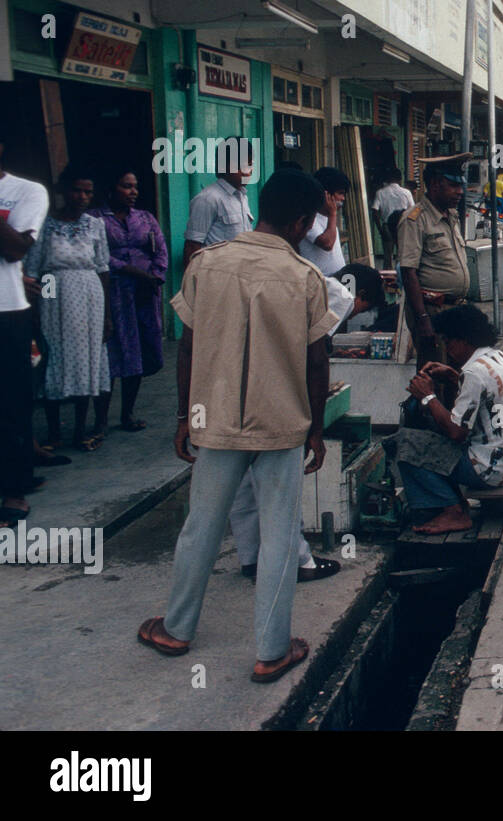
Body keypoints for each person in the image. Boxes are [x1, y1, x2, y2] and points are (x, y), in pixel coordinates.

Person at [137, 169, 336, 683]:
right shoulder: (305, 277)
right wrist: (316, 429)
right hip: (284, 424)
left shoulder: (207, 266)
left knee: (201, 525)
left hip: (215, 420)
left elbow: (188, 349)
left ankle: (176, 630)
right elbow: (318, 364)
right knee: (278, 536)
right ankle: (272, 651)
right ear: (298, 221)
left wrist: (184, 416)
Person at [229, 260, 384, 584]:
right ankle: (298, 561)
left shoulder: (298, 281)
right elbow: (315, 359)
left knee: (245, 479)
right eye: (362, 308)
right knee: (282, 483)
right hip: (276, 393)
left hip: (237, 384)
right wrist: (314, 423)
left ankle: (251, 557)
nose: (353, 316)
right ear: (362, 294)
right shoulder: (339, 297)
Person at [397, 305, 503, 535]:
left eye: (449, 342)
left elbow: (456, 432)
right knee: (428, 434)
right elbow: (484, 397)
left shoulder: (475, 372)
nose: (447, 348)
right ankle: (452, 502)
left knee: (403, 444)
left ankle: (453, 511)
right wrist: (453, 377)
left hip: (489, 469)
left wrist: (428, 397)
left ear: (465, 340)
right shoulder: (496, 357)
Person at [25, 166, 113, 453]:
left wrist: (107, 314)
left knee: (85, 359)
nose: (83, 197)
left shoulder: (95, 225)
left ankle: (79, 431)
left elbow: (102, 268)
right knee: (54, 357)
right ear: (63, 191)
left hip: (89, 294)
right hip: (54, 291)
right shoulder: (46, 226)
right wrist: (39, 308)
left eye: (88, 192)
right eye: (77, 190)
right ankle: (54, 433)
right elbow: (36, 270)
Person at [88, 171, 167, 433]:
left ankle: (127, 414)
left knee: (138, 352)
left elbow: (160, 250)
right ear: (111, 190)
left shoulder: (145, 217)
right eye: (126, 186)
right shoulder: (95, 219)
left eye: (135, 187)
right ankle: (100, 419)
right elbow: (98, 255)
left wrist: (155, 276)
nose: (133, 192)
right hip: (112, 293)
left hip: (144, 294)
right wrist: (131, 270)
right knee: (112, 353)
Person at [0, 136, 49, 528]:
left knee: (12, 406)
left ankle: (14, 488)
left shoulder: (26, 192)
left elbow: (15, 249)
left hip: (7, 311)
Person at [398, 157, 471, 367]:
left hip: (455, 309)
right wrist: (422, 319)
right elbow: (408, 272)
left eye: (461, 185)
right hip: (433, 312)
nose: (460, 192)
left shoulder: (451, 215)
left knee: (455, 373)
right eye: (454, 185)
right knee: (436, 374)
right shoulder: (415, 219)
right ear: (435, 184)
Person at [181, 136, 254, 268]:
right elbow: (192, 247)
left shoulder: (242, 197)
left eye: (250, 164)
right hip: (216, 279)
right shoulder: (208, 199)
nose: (247, 171)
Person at [298, 166, 349, 276]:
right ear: (326, 194)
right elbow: (327, 244)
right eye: (340, 193)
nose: (343, 198)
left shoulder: (328, 219)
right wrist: (333, 214)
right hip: (320, 282)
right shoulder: (310, 218)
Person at [371, 166, 415, 270]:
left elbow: (374, 211)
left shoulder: (380, 192)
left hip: (387, 227)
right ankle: (401, 278)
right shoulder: (406, 193)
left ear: (388, 178)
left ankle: (388, 282)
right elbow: (413, 211)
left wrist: (380, 229)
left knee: (387, 256)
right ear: (400, 179)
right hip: (402, 226)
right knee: (403, 256)